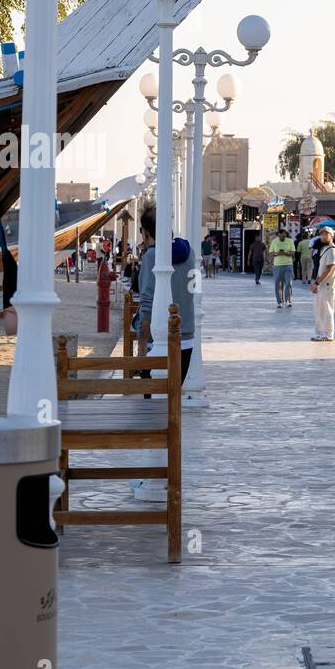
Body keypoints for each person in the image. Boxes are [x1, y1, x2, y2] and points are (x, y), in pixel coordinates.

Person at [131, 204, 196, 501]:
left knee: (151, 412)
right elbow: (194, 290)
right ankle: (163, 473)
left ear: (145, 232)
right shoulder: (189, 251)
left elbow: (147, 302)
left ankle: (152, 475)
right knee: (170, 409)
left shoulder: (153, 256)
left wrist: (142, 345)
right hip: (187, 338)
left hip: (160, 341)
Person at [310, 226, 335, 341]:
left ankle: (327, 334)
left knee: (327, 309)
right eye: (321, 234)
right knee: (320, 309)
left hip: (328, 284)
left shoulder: (332, 250)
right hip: (322, 284)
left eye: (326, 234)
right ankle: (321, 332)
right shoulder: (324, 249)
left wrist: (317, 282)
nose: (323, 236)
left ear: (331, 236)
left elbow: (330, 269)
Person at [270, 228, 295, 308]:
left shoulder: (290, 241)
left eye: (284, 236)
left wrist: (285, 253)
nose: (282, 238)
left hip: (288, 265)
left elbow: (293, 253)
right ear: (278, 235)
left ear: (286, 235)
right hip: (277, 265)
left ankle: (288, 300)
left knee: (288, 283)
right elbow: (270, 253)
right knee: (278, 284)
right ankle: (279, 302)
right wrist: (277, 253)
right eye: (281, 236)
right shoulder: (274, 241)